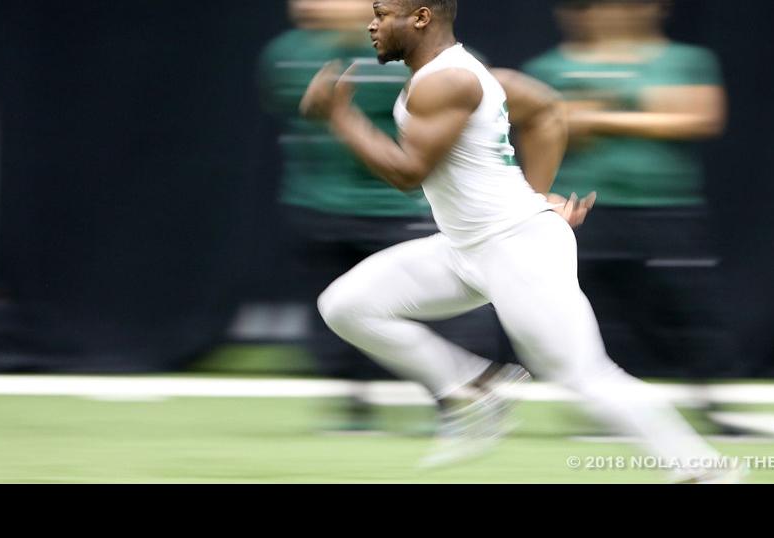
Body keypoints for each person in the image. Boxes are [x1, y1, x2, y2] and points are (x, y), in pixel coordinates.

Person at [300, 0, 737, 481]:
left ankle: (706, 470)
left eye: (383, 13)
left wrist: (339, 115)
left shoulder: (449, 80)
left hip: (517, 248)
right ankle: (475, 387)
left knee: (584, 375)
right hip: (465, 248)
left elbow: (407, 173)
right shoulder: (464, 75)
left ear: (421, 17)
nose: (372, 24)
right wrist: (539, 194)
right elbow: (547, 110)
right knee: (346, 305)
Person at [259, 0, 500, 431]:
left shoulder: (429, 58)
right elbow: (295, 111)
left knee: (444, 313)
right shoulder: (287, 52)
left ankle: (467, 397)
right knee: (336, 311)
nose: (311, 5)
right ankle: (353, 405)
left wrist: (344, 114)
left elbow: (418, 158)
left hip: (403, 208)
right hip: (319, 206)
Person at [523, 0, 739, 396]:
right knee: (590, 312)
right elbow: (539, 128)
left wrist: (598, 116)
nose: (616, 13)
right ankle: (603, 401)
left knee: (687, 309)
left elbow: (699, 117)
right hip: (581, 208)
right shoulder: (550, 67)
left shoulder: (683, 61)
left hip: (664, 205)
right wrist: (640, 111)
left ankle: (712, 398)